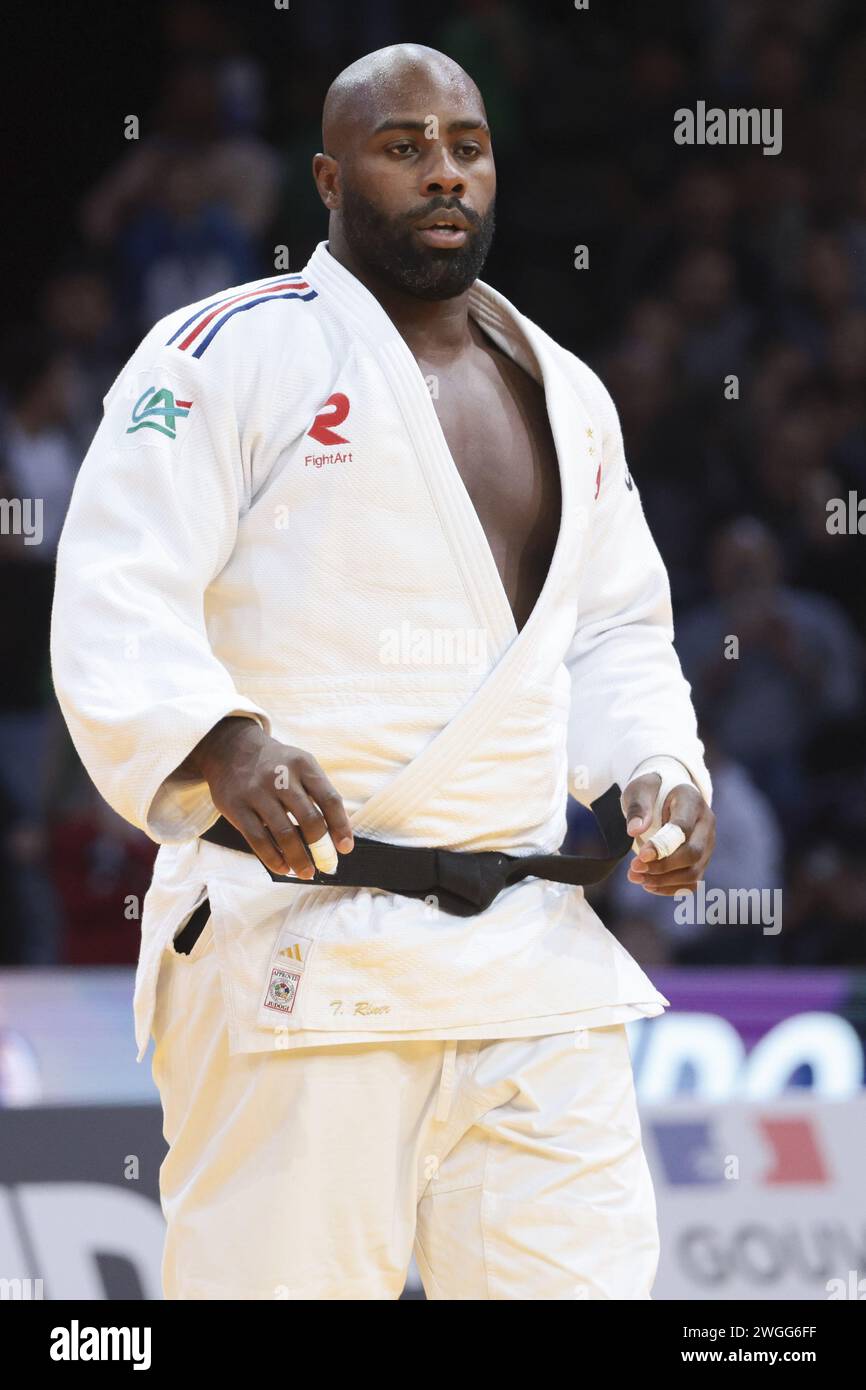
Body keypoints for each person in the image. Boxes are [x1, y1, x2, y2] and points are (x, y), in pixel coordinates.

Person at [51, 45, 715, 1300]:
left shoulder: (565, 389)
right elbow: (116, 590)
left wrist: (653, 765)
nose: (442, 173)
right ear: (328, 177)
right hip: (300, 943)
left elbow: (612, 628)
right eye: (401, 148)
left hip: (528, 951)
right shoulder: (221, 353)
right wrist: (219, 738)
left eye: (463, 145)